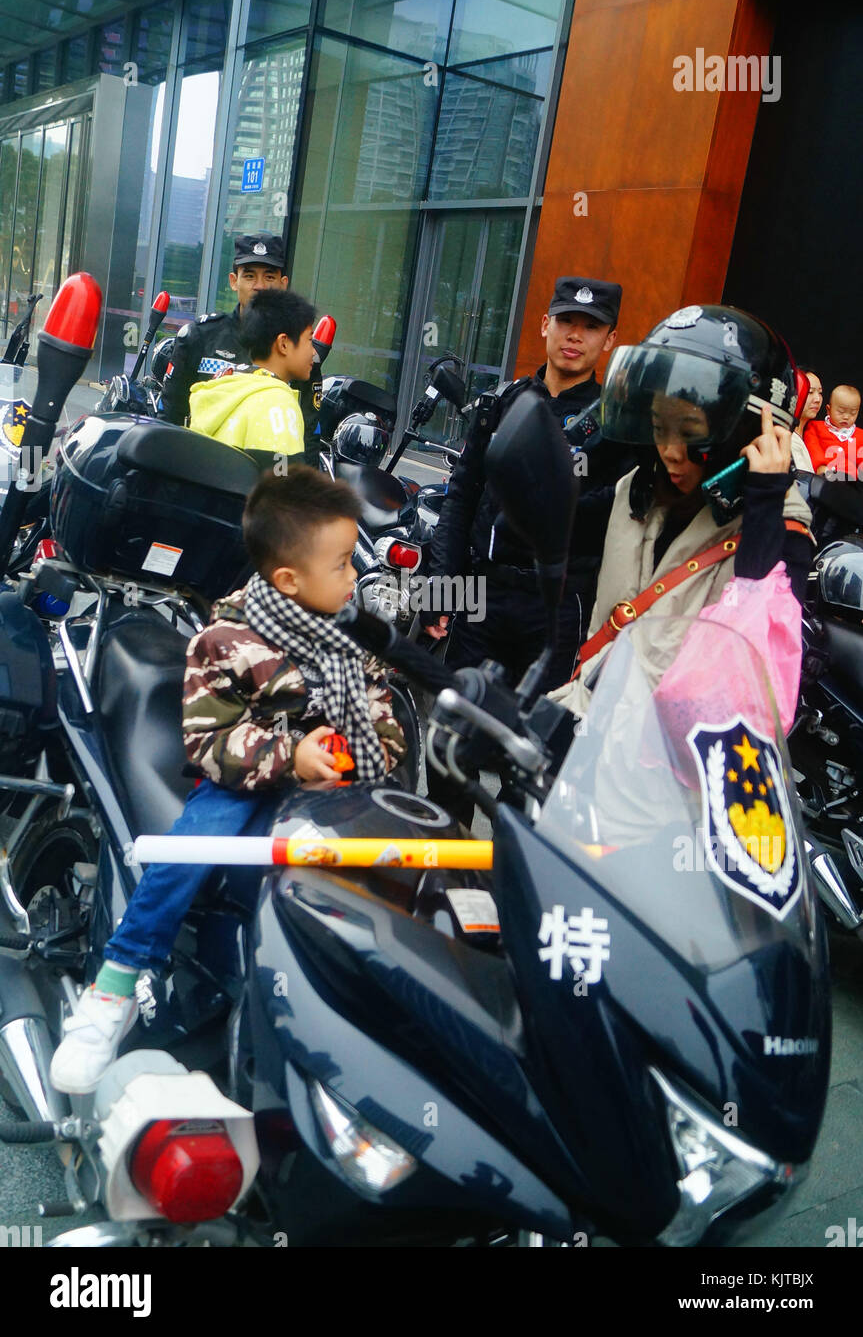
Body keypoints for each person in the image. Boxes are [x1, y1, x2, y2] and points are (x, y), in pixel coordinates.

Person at [49, 467, 406, 1094]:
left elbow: (386, 715)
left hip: (338, 787)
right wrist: (292, 755)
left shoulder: (353, 639)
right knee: (191, 851)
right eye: (345, 563)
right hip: (245, 781)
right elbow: (211, 741)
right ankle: (116, 984)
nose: (355, 577)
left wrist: (356, 748)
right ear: (289, 580)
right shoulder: (226, 640)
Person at [421, 275, 629, 825]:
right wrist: (443, 589)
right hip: (483, 598)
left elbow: (619, 517)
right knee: (452, 732)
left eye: (591, 328)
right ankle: (444, 865)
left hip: (559, 607)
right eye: (566, 322)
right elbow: (460, 499)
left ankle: (514, 872)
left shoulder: (616, 427)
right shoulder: (502, 404)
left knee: (538, 753)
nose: (575, 336)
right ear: (545, 325)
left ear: (609, 340)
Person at [550, 304, 814, 722]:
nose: (670, 452)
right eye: (658, 427)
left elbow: (757, 648)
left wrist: (764, 503)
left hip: (674, 764)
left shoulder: (780, 526)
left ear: (749, 432)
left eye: (691, 433)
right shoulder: (638, 492)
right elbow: (558, 534)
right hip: (589, 730)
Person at [159, 232, 290, 426]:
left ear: (283, 284)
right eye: (249, 276)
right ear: (233, 281)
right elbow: (170, 416)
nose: (260, 286)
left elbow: (308, 431)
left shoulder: (296, 347)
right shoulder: (200, 336)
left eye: (269, 277)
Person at [188, 289, 315, 458]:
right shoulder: (278, 403)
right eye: (309, 339)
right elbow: (281, 479)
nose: (313, 351)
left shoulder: (226, 387)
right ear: (283, 344)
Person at [803, 384, 863, 478]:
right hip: (825, 477)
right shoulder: (816, 427)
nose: (846, 417)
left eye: (853, 413)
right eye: (841, 412)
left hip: (852, 483)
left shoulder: (860, 435)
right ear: (828, 409)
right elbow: (813, 447)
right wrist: (821, 466)